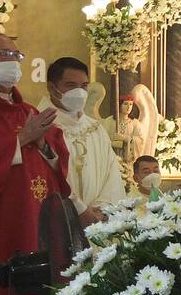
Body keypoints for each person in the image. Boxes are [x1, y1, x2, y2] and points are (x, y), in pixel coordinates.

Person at [0, 34, 70, 295]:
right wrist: (20, 141)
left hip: (36, 223)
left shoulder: (30, 112)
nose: (14, 60)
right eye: (5, 53)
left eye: (16, 53)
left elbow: (56, 161)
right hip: (3, 227)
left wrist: (44, 145)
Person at [40, 57, 126, 225]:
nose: (79, 92)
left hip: (98, 223)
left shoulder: (95, 128)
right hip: (58, 224)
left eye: (84, 86)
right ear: (52, 87)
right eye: (71, 85)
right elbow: (48, 177)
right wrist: (79, 211)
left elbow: (112, 175)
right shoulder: (40, 127)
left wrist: (103, 210)